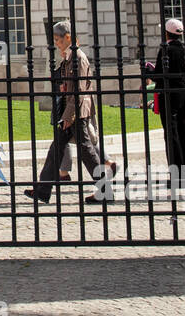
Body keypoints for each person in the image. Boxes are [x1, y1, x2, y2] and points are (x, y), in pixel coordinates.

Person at [25, 22, 117, 203]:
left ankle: (105, 191)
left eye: (59, 40)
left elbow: (78, 90)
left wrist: (68, 116)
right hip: (71, 112)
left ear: (68, 37)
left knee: (87, 152)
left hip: (76, 113)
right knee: (57, 149)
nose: (57, 43)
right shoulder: (69, 57)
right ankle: (43, 189)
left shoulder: (78, 58)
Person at [145, 18, 185, 178]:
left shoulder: (166, 49)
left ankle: (177, 174)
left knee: (171, 134)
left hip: (169, 94)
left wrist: (148, 72)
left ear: (167, 33)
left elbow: (160, 75)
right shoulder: (183, 49)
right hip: (183, 93)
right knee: (183, 132)